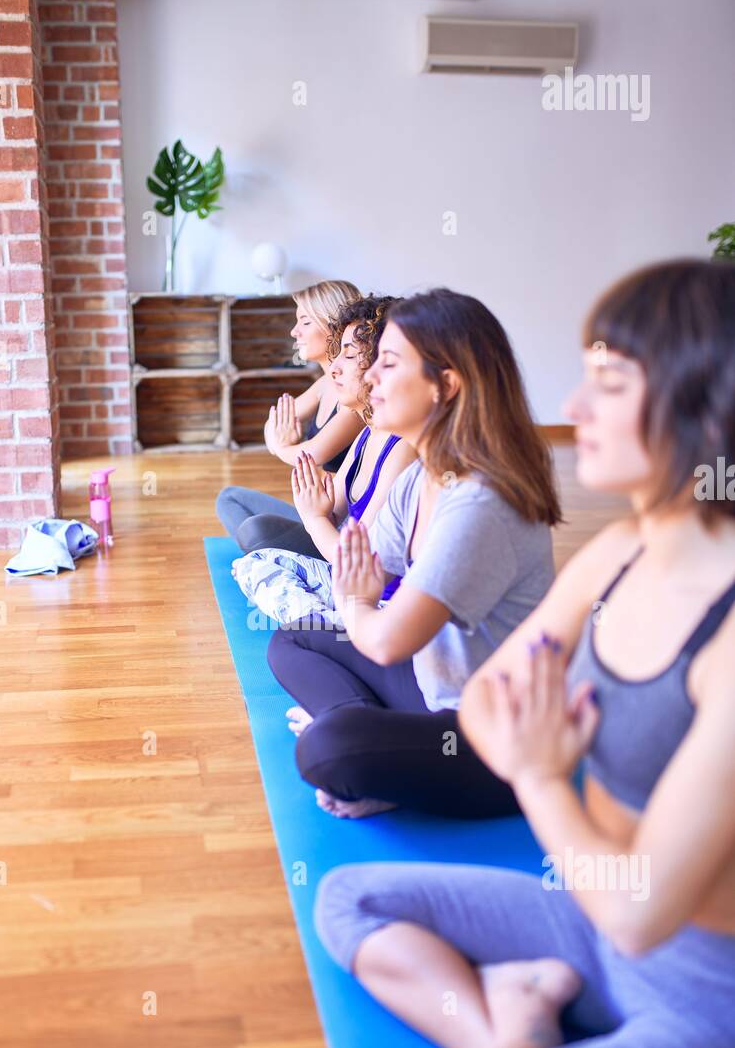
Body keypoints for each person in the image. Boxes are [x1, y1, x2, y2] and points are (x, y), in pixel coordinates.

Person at [314, 258, 735, 1048]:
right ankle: (510, 1024)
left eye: (608, 382)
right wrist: (518, 742)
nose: (572, 407)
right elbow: (491, 698)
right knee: (349, 898)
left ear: (701, 405)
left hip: (703, 993)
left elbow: (640, 914)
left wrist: (542, 775)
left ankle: (517, 1038)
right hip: (587, 920)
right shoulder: (620, 553)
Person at [267, 287, 561, 819]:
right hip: (427, 684)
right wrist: (357, 593)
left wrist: (357, 600)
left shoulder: (479, 503)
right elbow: (360, 568)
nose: (371, 378)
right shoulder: (421, 478)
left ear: (445, 385)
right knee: (292, 638)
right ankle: (368, 735)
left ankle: (365, 741)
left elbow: (382, 636)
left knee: (325, 749)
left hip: (485, 741)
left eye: (389, 363)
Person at [231, 296, 417, 628]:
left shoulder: (401, 448)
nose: (335, 368)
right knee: (252, 562)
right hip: (345, 577)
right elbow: (336, 512)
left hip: (379, 603)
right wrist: (319, 507)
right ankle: (321, 625)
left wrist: (314, 517)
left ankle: (325, 628)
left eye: (349, 355)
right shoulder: (367, 433)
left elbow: (361, 564)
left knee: (285, 637)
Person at [215, 280, 362, 556]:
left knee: (256, 530)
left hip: (337, 528)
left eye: (305, 322)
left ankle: (271, 556)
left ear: (334, 324)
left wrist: (282, 447)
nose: (294, 332)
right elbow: (272, 425)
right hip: (318, 514)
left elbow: (312, 454)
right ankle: (270, 555)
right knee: (229, 498)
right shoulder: (324, 386)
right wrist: (282, 444)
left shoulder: (355, 397)